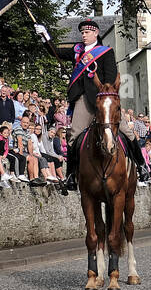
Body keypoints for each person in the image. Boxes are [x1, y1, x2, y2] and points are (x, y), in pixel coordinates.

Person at [42, 16, 144, 192]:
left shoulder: (106, 52)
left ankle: (141, 165)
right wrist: (45, 37)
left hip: (102, 99)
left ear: (96, 33)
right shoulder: (77, 51)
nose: (84, 35)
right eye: (82, 32)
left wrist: (104, 96)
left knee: (126, 131)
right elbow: (55, 52)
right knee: (74, 135)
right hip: (83, 98)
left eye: (87, 32)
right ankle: (71, 175)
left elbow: (110, 77)